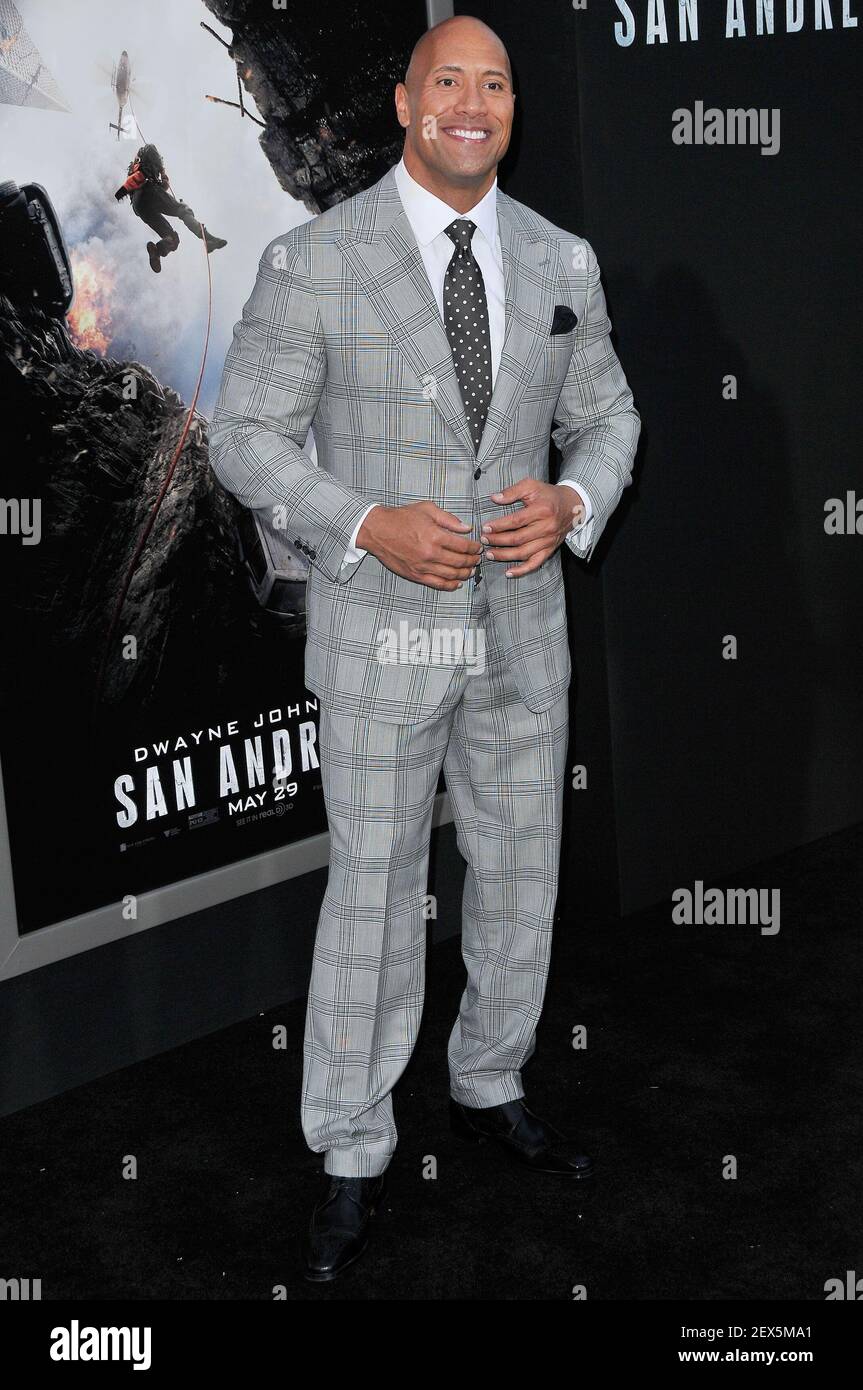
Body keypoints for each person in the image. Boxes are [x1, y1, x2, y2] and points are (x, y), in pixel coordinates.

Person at [209, 14, 640, 1283]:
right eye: (446, 80)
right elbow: (244, 439)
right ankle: (348, 1146)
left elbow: (608, 415)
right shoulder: (315, 259)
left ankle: (490, 1079)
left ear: (509, 108)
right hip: (381, 638)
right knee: (376, 895)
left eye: (493, 83)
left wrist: (568, 504)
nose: (471, 102)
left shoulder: (561, 255)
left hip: (519, 628)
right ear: (405, 102)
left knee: (518, 872)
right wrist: (363, 524)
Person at [114, 143, 227, 273]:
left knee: (172, 238)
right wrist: (163, 173)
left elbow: (158, 189)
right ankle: (207, 238)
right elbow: (154, 160)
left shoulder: (135, 171)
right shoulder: (147, 154)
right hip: (148, 191)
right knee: (183, 210)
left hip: (139, 206)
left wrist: (163, 183)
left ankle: (158, 250)